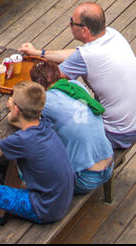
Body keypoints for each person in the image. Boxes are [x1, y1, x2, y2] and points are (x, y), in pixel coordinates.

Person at [20, 2, 136, 150]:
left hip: (117, 131)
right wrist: (39, 53)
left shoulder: (87, 55)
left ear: (84, 31)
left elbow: (51, 80)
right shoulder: (113, 35)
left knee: (56, 116)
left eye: (72, 22)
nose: (69, 25)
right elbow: (76, 54)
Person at [0, 81, 74, 226]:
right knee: (14, 162)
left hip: (45, 209)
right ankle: (0, 210)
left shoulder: (23, 140)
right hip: (60, 198)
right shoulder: (44, 124)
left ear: (17, 109)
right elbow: (13, 121)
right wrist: (14, 110)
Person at [29, 59, 114, 194]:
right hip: (109, 164)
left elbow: (25, 122)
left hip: (85, 178)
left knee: (31, 162)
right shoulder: (75, 86)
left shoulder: (45, 100)